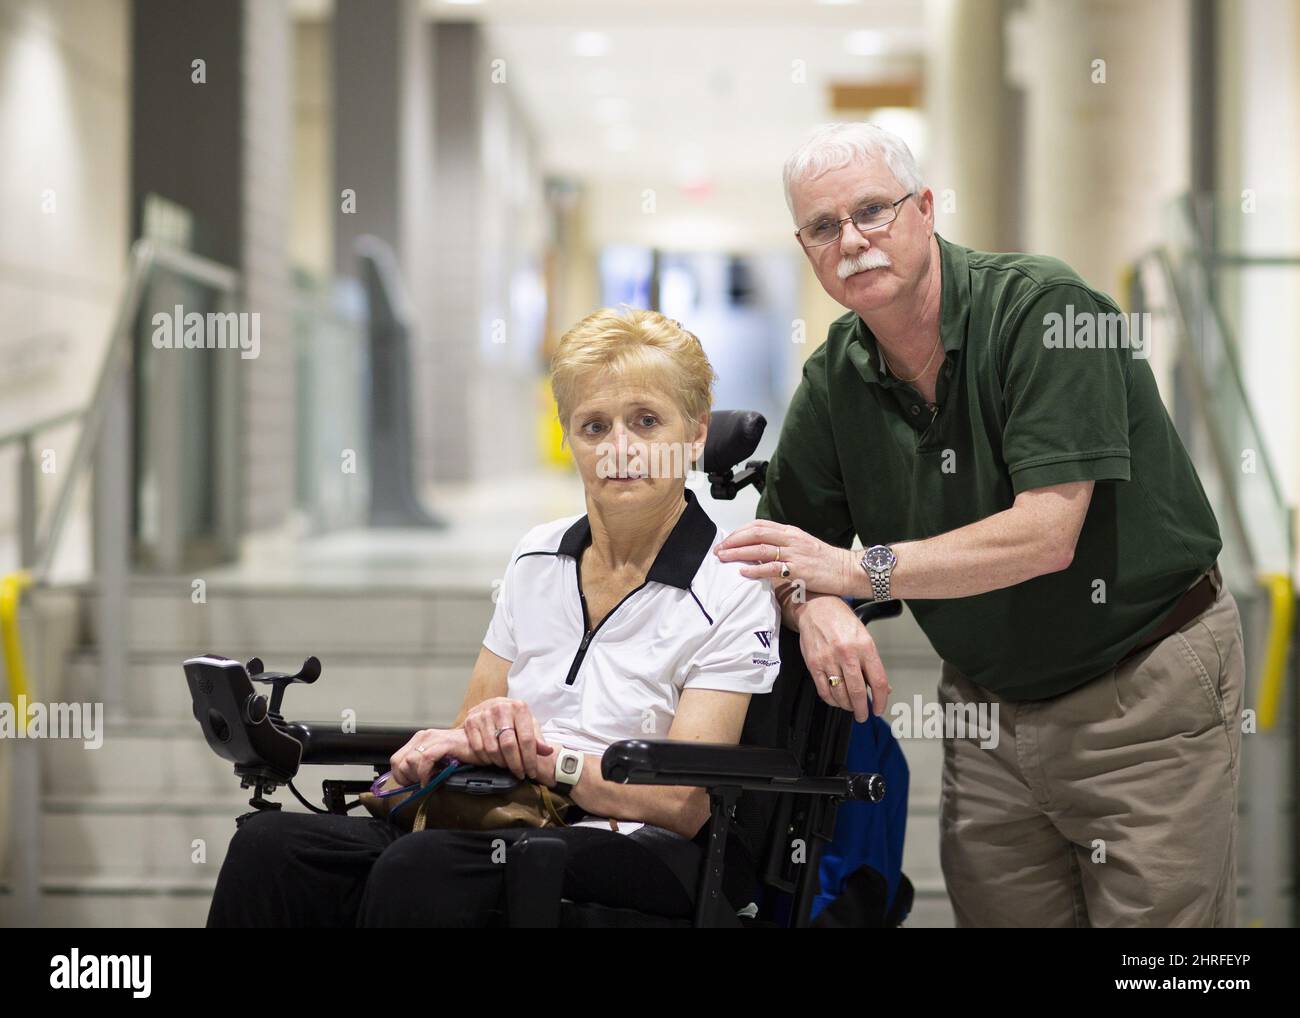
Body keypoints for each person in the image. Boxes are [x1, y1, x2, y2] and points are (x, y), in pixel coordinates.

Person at [714, 122, 1242, 928]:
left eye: (872, 212)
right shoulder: (834, 379)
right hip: (988, 708)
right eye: (824, 227)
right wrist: (815, 607)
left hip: (1143, 683)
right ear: (805, 247)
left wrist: (858, 576)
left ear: (924, 209)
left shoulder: (1043, 311)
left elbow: (1045, 535)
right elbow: (783, 551)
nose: (852, 241)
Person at [207, 307, 780, 927]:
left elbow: (681, 802)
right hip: (509, 814)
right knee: (271, 849)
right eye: (594, 426)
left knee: (423, 868)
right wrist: (444, 750)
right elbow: (471, 725)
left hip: (643, 842)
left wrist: (546, 760)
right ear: (568, 438)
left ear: (694, 435)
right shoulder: (536, 556)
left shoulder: (731, 582)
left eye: (646, 422)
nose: (620, 449)